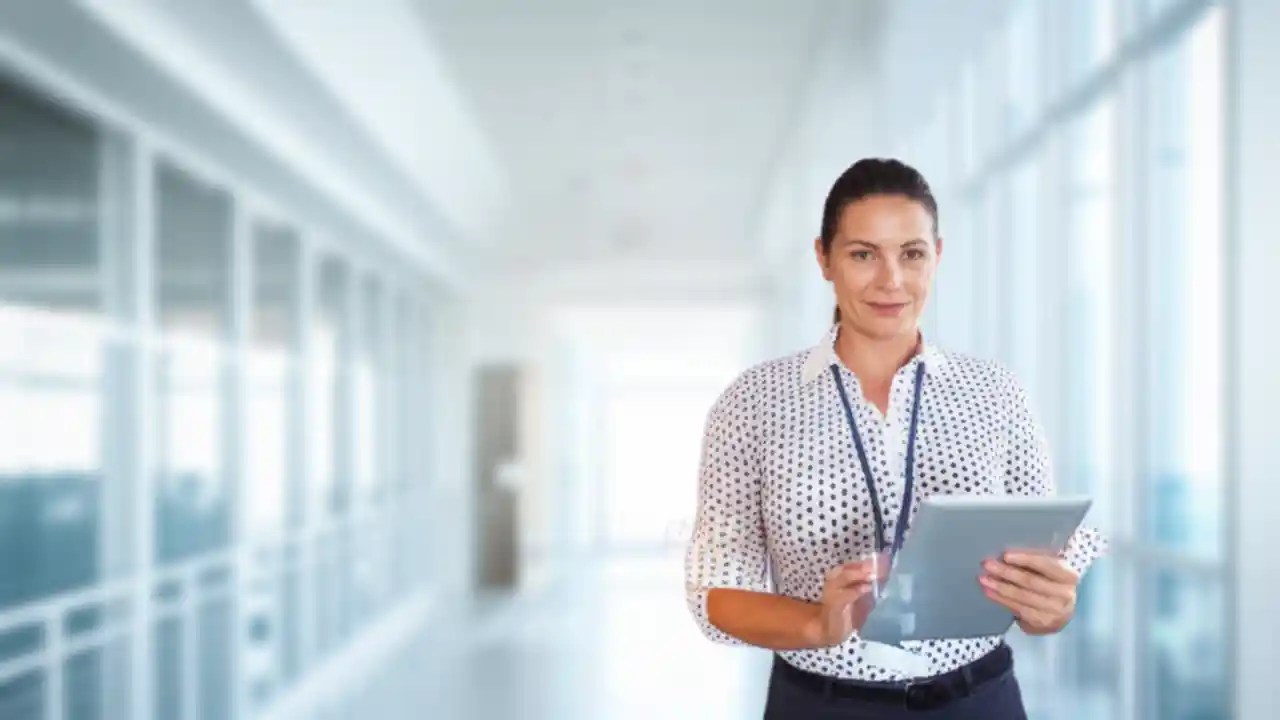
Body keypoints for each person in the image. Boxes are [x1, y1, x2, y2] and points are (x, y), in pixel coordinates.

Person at [683, 158, 1105, 718]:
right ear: (823, 259)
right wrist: (816, 622)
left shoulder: (996, 393)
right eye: (863, 254)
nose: (891, 280)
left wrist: (1049, 610)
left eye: (912, 253)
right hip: (822, 704)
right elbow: (715, 590)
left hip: (978, 700)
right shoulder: (753, 402)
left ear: (938, 256)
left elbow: (1039, 570)